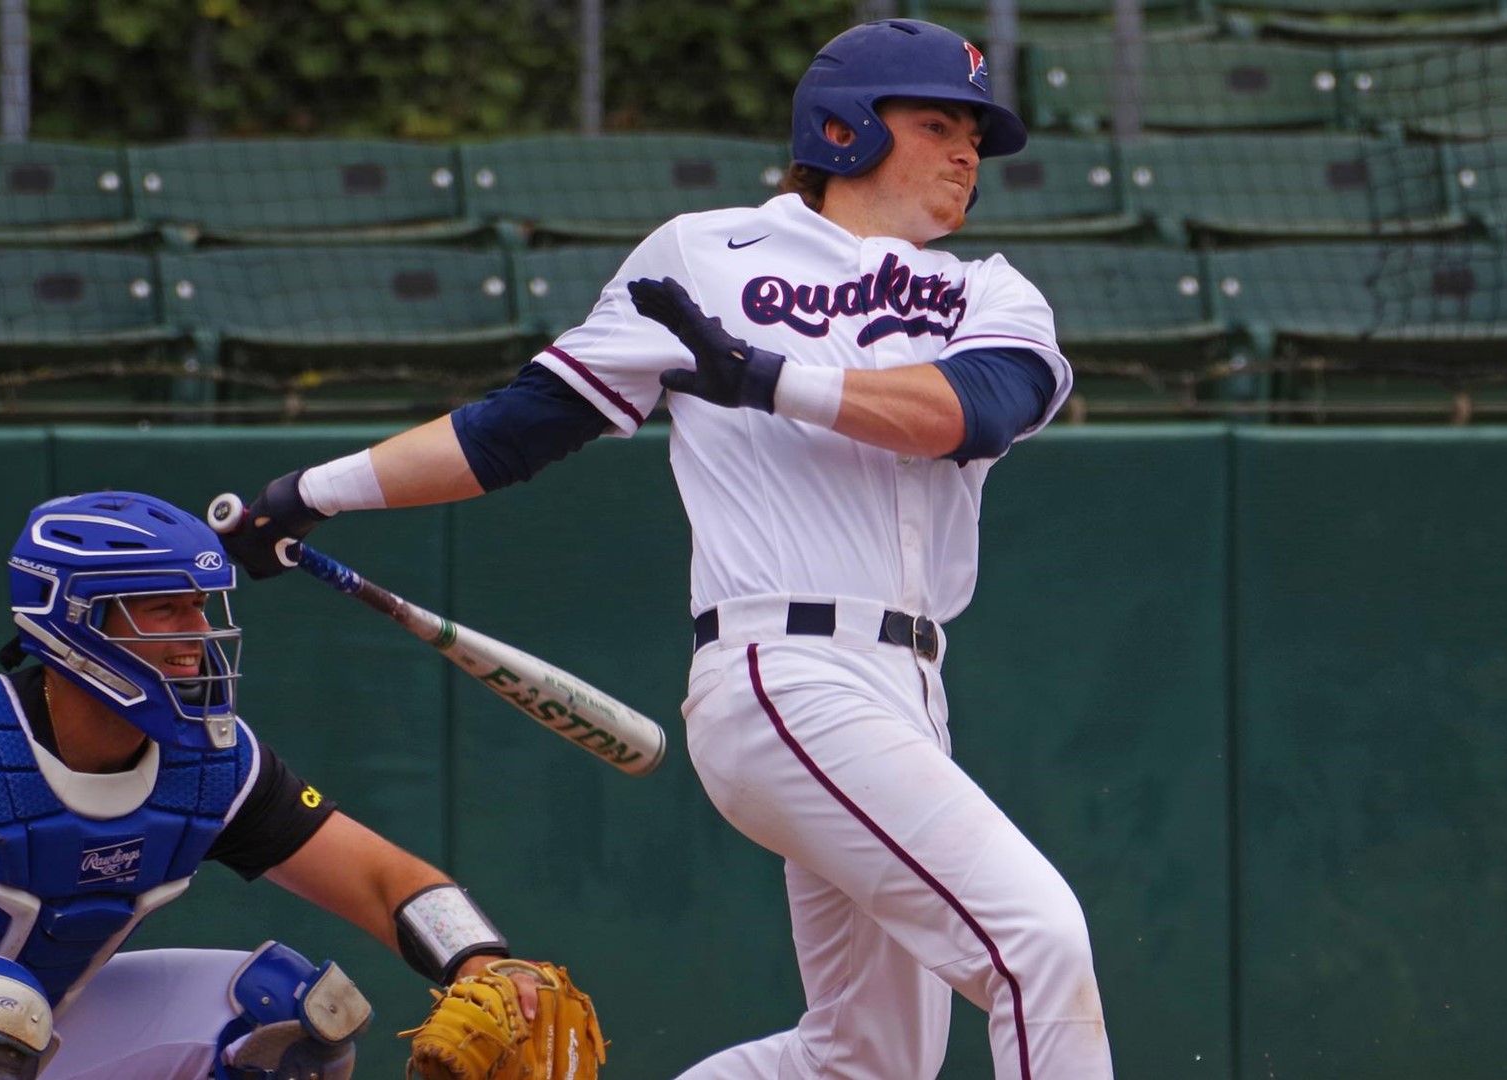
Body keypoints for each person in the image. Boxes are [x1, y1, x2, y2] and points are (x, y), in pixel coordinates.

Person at [215, 17, 1112, 1079]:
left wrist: (765, 377)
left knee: (865, 1059)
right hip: (788, 671)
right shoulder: (709, 255)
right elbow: (518, 426)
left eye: (976, 130)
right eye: (936, 123)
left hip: (909, 688)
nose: (969, 151)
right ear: (844, 131)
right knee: (1037, 944)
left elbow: (975, 413)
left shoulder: (991, 291)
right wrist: (310, 493)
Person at [0, 490, 545, 1080]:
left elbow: (384, 882)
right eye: (165, 610)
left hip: (31, 1023)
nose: (198, 636)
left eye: (201, 606)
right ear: (75, 619)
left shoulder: (211, 762)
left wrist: (482, 964)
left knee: (288, 1013)